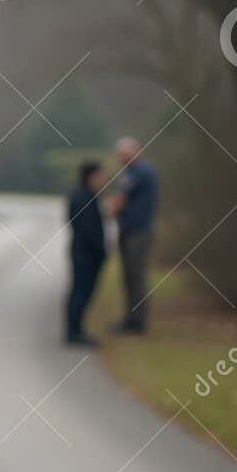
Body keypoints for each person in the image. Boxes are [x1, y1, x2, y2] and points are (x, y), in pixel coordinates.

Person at [111, 136, 158, 334]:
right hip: (132, 231)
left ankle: (137, 322)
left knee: (135, 276)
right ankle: (131, 319)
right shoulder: (134, 172)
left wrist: (110, 210)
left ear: (135, 152)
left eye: (125, 155)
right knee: (130, 277)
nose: (122, 159)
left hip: (137, 233)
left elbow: (120, 200)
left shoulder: (139, 173)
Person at [65, 161, 108, 346]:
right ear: (91, 176)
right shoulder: (83, 197)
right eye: (100, 176)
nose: (103, 180)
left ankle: (76, 330)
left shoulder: (85, 195)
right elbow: (89, 229)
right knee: (81, 291)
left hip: (84, 252)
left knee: (81, 291)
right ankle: (74, 332)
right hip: (85, 254)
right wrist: (101, 251)